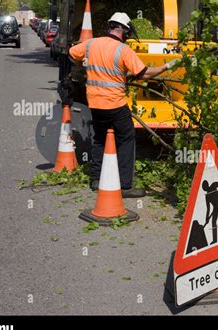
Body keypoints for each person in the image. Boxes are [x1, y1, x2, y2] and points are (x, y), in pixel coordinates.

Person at [69, 12, 180, 197]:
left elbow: (72, 55)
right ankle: (125, 186)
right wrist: (166, 67)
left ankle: (96, 179)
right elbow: (144, 74)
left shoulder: (91, 44)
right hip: (115, 104)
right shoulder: (123, 50)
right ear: (123, 30)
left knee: (99, 139)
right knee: (126, 139)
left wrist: (87, 66)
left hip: (95, 103)